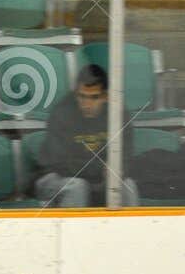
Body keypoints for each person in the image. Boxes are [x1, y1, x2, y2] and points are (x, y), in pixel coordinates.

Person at [34, 65, 139, 209]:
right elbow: (60, 164)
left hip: (97, 179)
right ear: (76, 93)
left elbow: (127, 155)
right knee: (77, 187)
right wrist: (102, 169)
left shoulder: (118, 112)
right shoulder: (61, 112)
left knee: (127, 186)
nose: (87, 104)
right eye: (82, 96)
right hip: (56, 178)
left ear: (105, 96)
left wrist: (119, 169)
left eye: (94, 97)